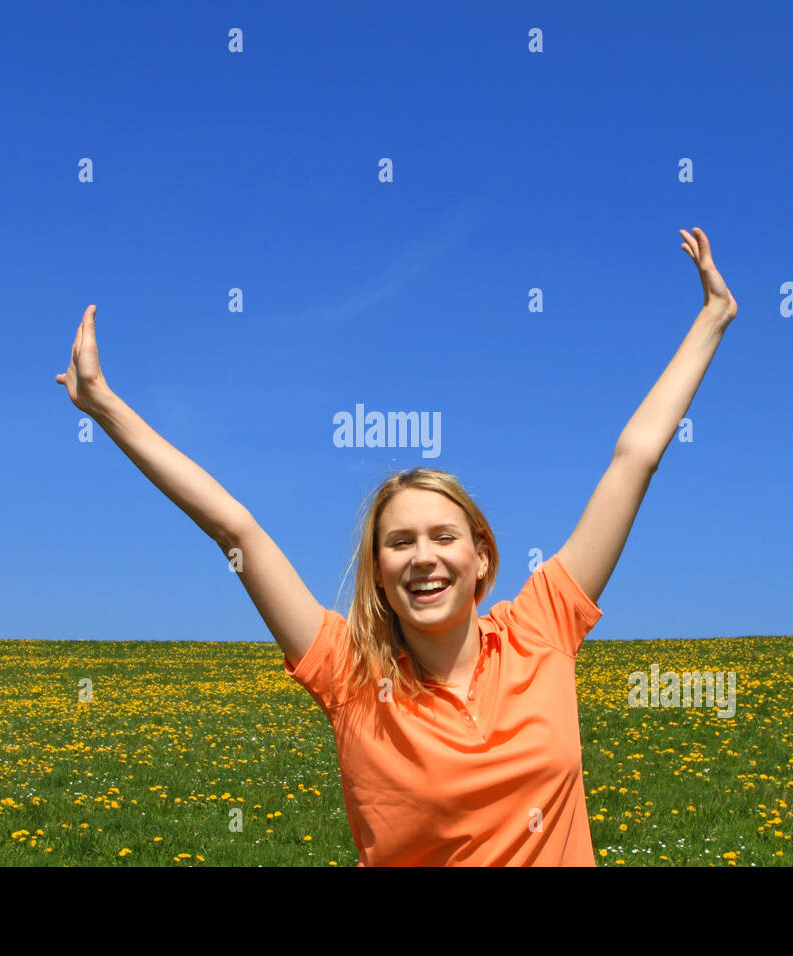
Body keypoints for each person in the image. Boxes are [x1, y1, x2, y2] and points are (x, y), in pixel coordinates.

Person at [56, 226, 738, 866]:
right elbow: (236, 529)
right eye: (399, 542)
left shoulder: (541, 629)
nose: (423, 556)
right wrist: (107, 407)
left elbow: (634, 459)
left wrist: (711, 318)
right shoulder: (348, 674)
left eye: (444, 537)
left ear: (481, 558)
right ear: (379, 576)